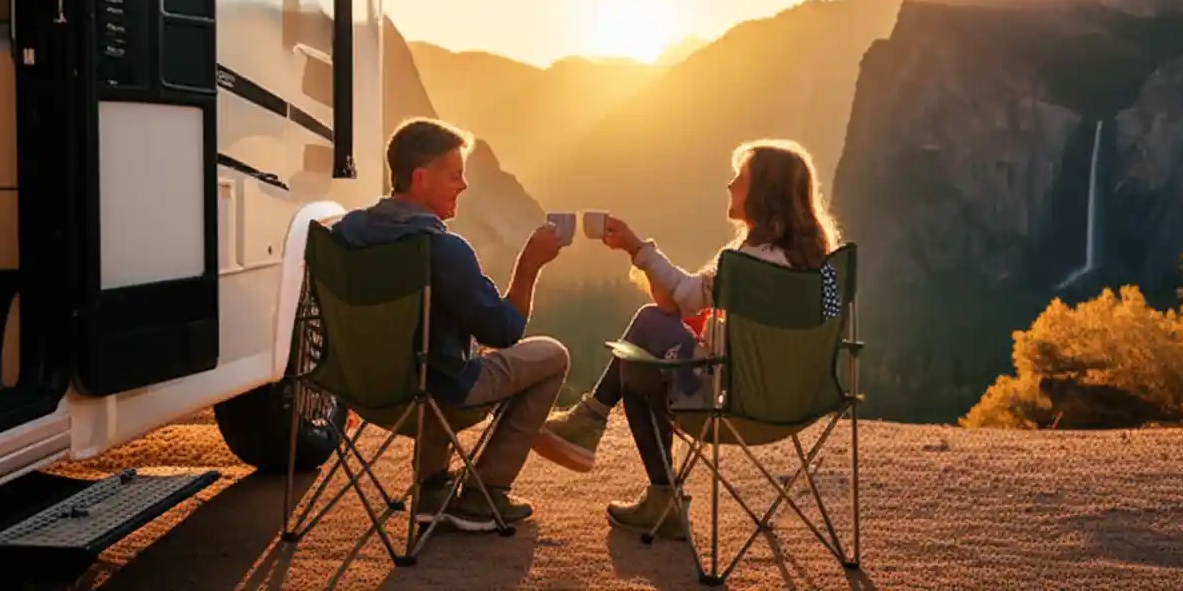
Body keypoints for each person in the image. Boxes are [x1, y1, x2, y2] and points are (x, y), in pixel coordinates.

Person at [531, 139, 842, 540]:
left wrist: (636, 248)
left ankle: (607, 438)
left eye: (740, 179)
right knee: (649, 335)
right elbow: (682, 301)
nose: (730, 185)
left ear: (762, 193)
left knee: (640, 361)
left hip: (729, 398)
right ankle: (595, 426)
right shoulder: (825, 266)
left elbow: (685, 298)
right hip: (802, 399)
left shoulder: (744, 263)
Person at [333, 117, 572, 532]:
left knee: (432, 355)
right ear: (421, 178)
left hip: (363, 391)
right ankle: (483, 496)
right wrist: (529, 264)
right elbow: (503, 332)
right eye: (455, 175)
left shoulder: (344, 234)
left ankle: (432, 489)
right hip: (435, 399)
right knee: (551, 355)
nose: (463, 185)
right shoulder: (443, 249)